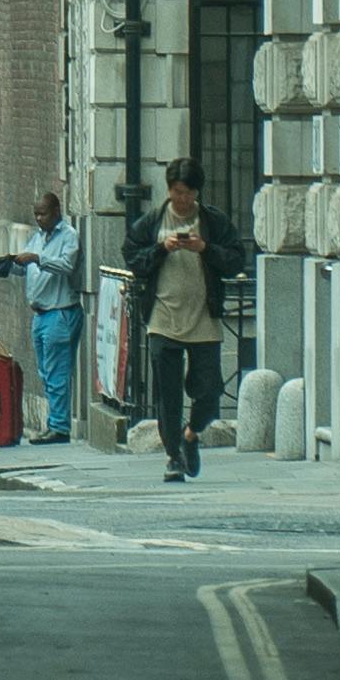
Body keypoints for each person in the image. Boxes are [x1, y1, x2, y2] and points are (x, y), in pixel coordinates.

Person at [124, 159, 248, 482]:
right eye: (178, 192)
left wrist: (204, 248)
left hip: (203, 317)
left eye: (189, 193)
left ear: (197, 192)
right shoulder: (152, 221)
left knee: (209, 391)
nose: (183, 199)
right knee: (167, 394)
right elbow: (133, 258)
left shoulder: (212, 222)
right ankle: (173, 456)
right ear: (169, 190)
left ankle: (191, 436)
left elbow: (236, 258)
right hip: (163, 318)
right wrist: (161, 249)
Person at [0, 190, 83, 443]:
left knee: (57, 372)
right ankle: (54, 423)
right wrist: (11, 264)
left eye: (42, 213)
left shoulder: (69, 237)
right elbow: (28, 269)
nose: (38, 218)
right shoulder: (37, 237)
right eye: (35, 214)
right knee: (46, 372)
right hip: (40, 314)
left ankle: (59, 427)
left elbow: (66, 265)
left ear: (56, 211)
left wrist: (37, 258)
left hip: (60, 312)